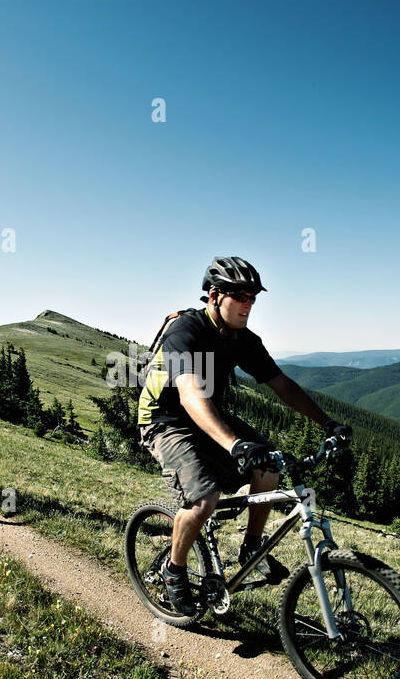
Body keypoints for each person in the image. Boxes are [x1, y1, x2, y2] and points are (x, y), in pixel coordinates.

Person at [137, 257, 350, 615]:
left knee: (268, 465)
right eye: (240, 296)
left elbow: (281, 384)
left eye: (253, 297)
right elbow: (190, 394)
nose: (248, 304)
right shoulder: (185, 331)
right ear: (215, 295)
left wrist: (327, 422)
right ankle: (174, 572)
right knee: (204, 499)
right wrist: (234, 444)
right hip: (166, 419)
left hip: (210, 415)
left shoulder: (242, 340)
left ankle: (252, 546)